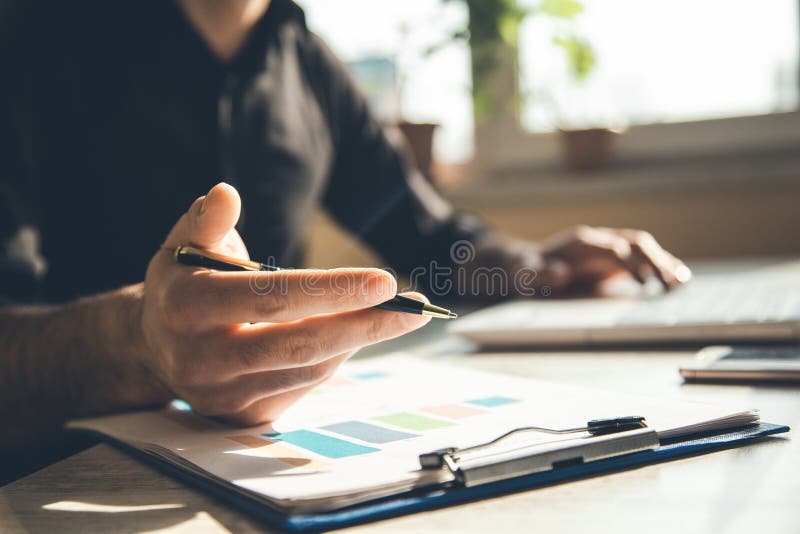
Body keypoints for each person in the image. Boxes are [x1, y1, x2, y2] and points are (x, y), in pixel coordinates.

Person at [0, 0, 689, 481]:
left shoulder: (306, 59)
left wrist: (535, 264)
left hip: (259, 472)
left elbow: (427, 237)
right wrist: (136, 342)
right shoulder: (26, 36)